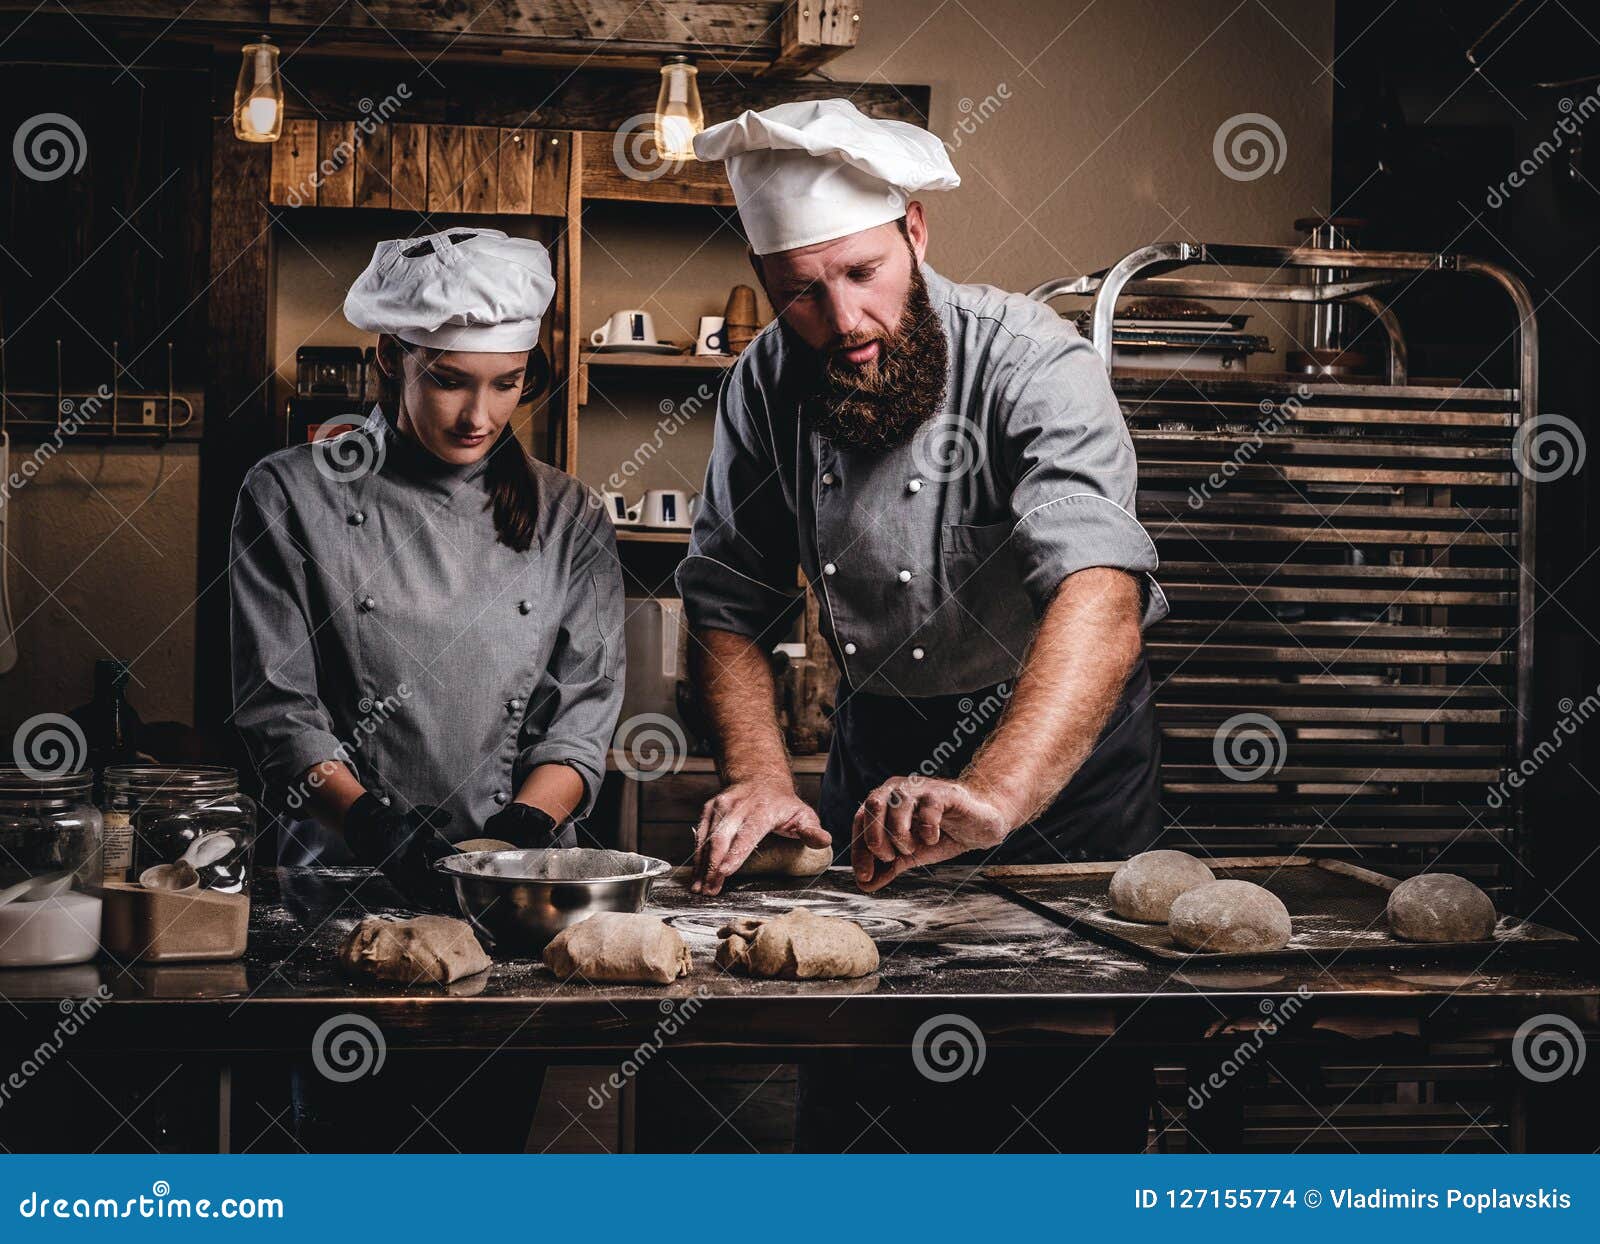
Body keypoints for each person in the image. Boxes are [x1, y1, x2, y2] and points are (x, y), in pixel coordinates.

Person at [680, 100, 1163, 1151]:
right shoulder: (766, 383)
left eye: (861, 273)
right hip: (884, 752)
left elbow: (1100, 592)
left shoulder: (1032, 361)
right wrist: (761, 771)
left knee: (1061, 1091)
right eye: (800, 293)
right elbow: (727, 594)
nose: (841, 319)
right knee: (868, 1087)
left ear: (915, 232)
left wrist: (994, 790)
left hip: (1061, 765)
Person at [229, 227, 624, 1152]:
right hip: (337, 892)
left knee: (480, 1161)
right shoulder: (288, 495)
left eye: (505, 381)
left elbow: (582, 718)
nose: (478, 415)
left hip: (512, 909)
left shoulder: (569, 516)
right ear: (388, 359)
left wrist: (521, 838)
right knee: (344, 1163)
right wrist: (372, 823)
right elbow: (276, 707)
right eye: (449, 378)